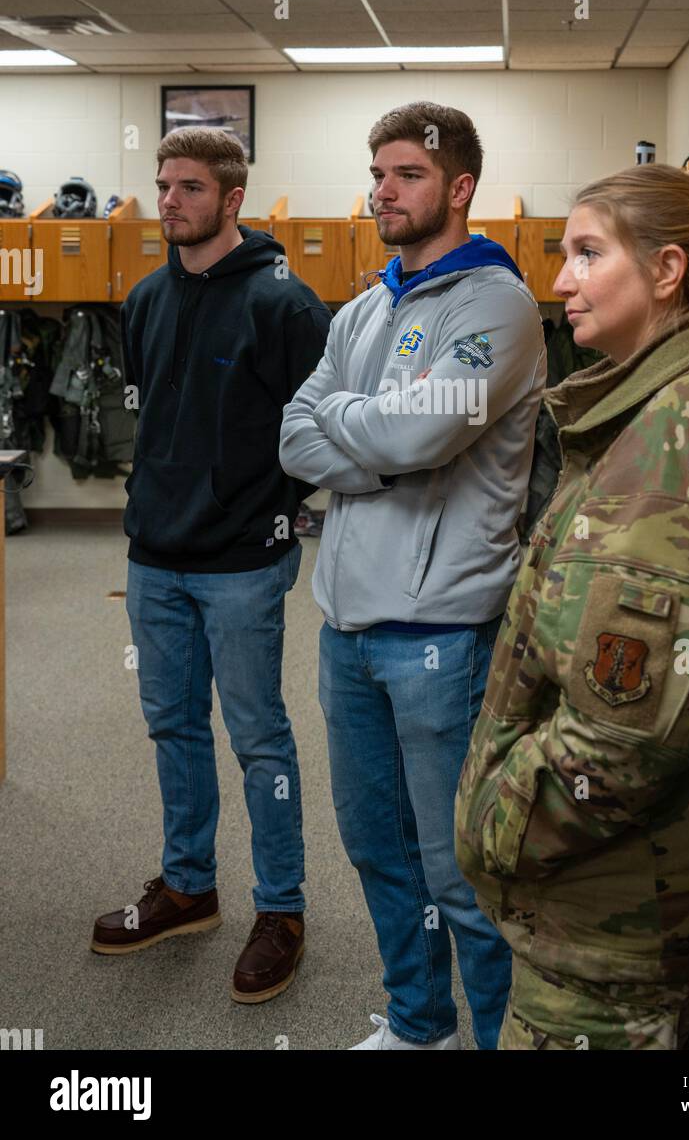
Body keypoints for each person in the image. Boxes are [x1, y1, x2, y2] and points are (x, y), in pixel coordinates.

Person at [454, 162, 689, 1050]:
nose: (560, 281)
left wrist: (492, 828)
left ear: (667, 270)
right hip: (651, 895)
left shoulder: (669, 450)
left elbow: (626, 739)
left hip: (617, 923)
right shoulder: (662, 411)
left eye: (587, 253)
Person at [279, 101, 547, 1049]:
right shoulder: (365, 305)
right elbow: (294, 433)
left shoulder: (499, 306)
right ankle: (418, 1023)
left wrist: (376, 438)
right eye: (378, 174)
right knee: (376, 852)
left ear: (459, 186)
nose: (383, 191)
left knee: (458, 868)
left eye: (407, 175)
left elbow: (423, 431)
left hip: (441, 637)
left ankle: (497, 1041)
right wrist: (382, 444)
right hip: (346, 629)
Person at [91, 127, 331, 1006]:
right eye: (162, 185)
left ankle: (283, 909)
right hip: (154, 556)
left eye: (189, 187)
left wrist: (264, 508)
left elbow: (321, 431)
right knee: (173, 728)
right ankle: (188, 885)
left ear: (232, 200)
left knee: (258, 734)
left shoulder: (285, 303)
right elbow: (155, 412)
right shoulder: (147, 297)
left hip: (240, 561)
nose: (170, 201)